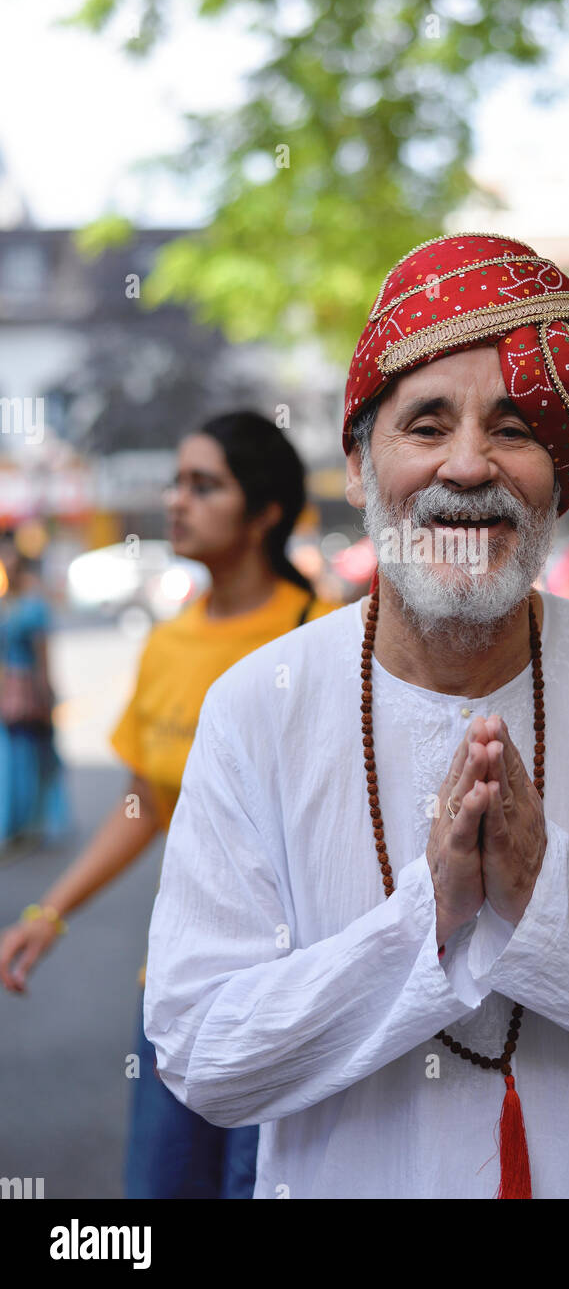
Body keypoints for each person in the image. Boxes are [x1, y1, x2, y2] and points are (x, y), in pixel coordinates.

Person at [143, 233, 569, 1199]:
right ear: (359, 469)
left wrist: (543, 902)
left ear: (560, 480)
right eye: (427, 423)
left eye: (516, 429)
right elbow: (201, 1050)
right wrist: (428, 920)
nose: (470, 465)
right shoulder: (255, 705)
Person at [0, 411, 336, 1198]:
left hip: (294, 997)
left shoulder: (327, 639)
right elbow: (144, 808)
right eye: (177, 481)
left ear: (265, 514)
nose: (176, 500)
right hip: (178, 989)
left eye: (204, 485)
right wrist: (47, 915)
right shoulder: (166, 645)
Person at [0, 532, 70, 851]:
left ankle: (34, 823)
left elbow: (43, 655)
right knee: (11, 759)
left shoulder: (32, 603)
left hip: (27, 690)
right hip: (7, 692)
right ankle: (15, 824)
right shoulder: (6, 602)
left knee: (35, 755)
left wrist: (47, 691)